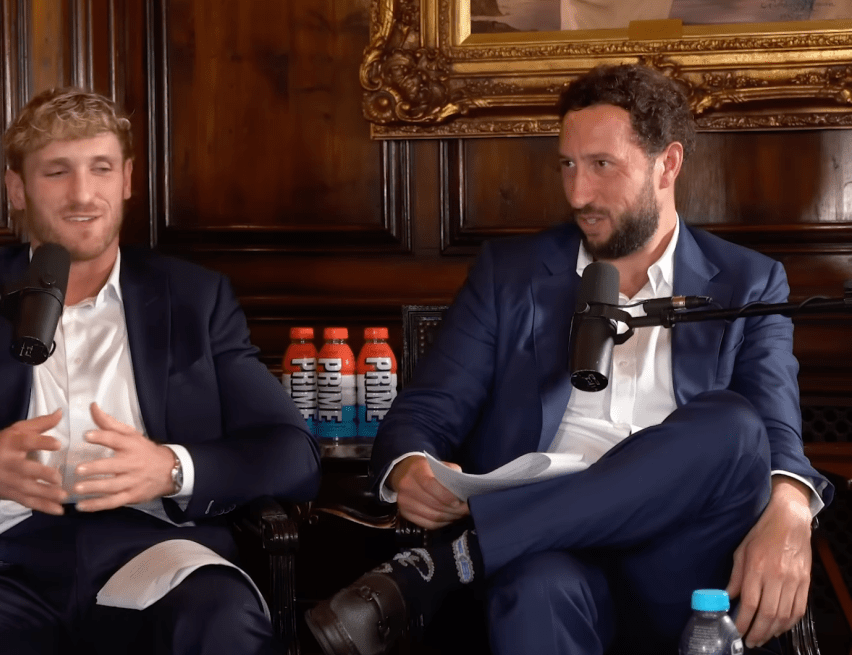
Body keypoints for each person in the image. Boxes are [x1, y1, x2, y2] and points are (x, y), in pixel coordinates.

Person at [305, 64, 832, 655]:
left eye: (602, 165)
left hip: (683, 564)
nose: (578, 193)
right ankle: (474, 556)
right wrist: (409, 466)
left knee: (733, 424)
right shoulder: (510, 275)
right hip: (548, 557)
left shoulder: (748, 281)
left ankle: (455, 560)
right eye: (568, 165)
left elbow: (776, 428)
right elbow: (427, 409)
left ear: (669, 164)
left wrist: (790, 510)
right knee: (535, 589)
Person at [0, 87, 320, 655]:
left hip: (157, 556)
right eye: (56, 172)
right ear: (17, 189)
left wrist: (170, 469)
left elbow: (294, 455)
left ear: (128, 180)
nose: (83, 194)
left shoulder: (195, 297)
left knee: (222, 625)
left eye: (101, 169)